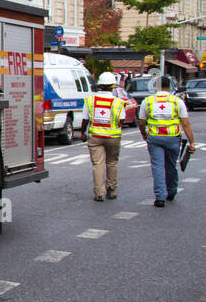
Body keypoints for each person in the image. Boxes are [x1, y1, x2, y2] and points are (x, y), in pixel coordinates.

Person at [137, 75, 197, 207]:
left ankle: (160, 197)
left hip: (154, 138)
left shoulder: (148, 101)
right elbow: (185, 124)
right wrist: (192, 142)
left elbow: (141, 121)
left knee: (157, 166)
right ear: (169, 86)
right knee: (171, 165)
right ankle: (171, 191)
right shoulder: (177, 101)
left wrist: (144, 134)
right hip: (172, 138)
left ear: (155, 86)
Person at [82, 71, 125, 201]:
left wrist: (84, 133)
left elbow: (85, 119)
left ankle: (99, 193)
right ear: (113, 86)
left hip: (95, 136)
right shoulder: (118, 102)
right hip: (112, 137)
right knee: (111, 162)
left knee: (97, 164)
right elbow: (121, 120)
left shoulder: (90, 100)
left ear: (99, 85)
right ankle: (111, 189)